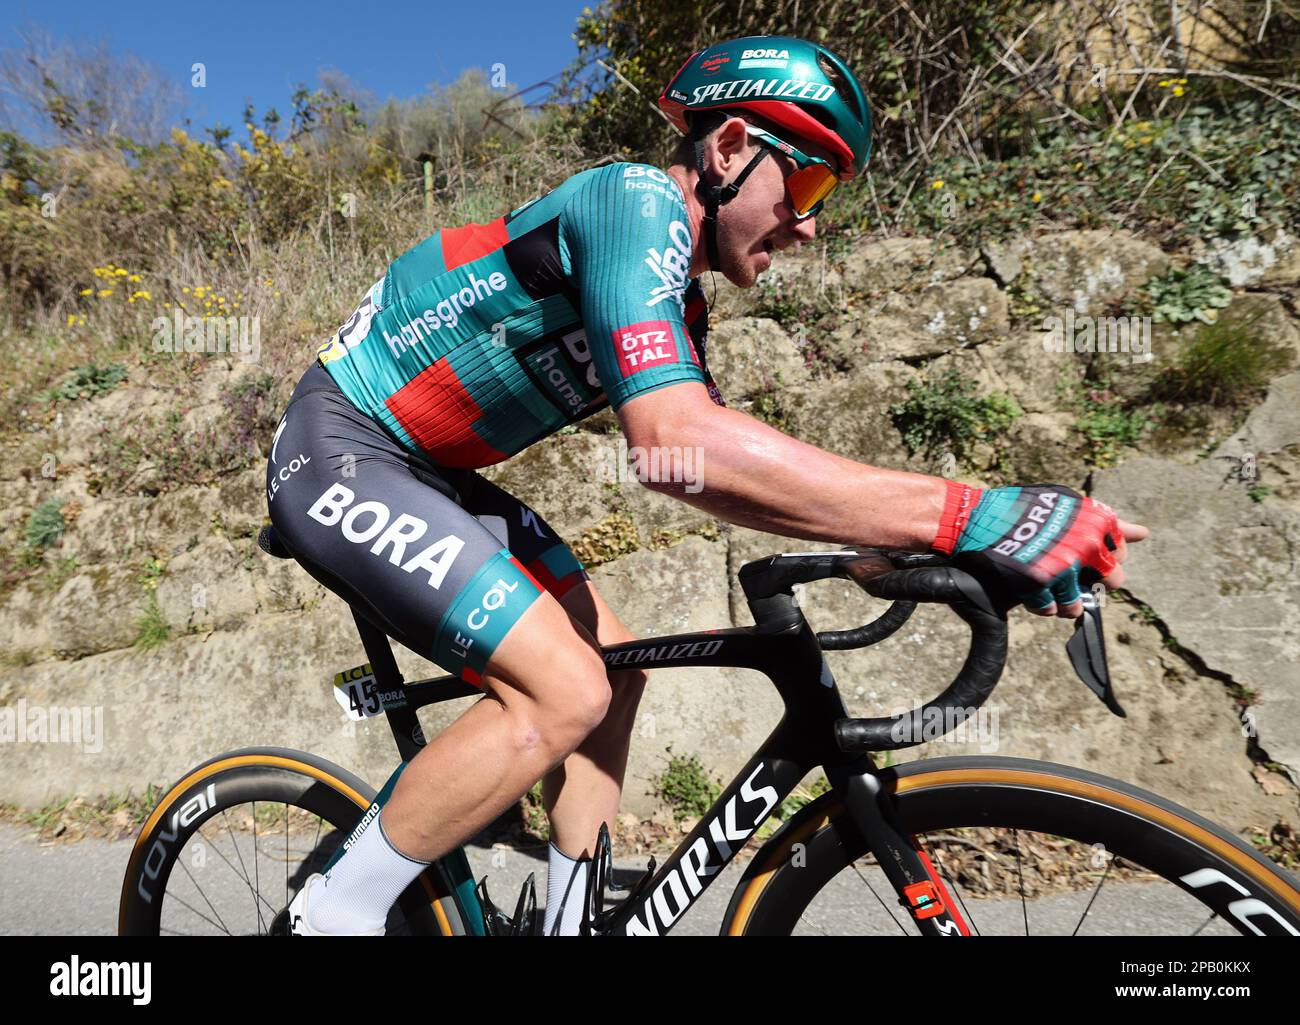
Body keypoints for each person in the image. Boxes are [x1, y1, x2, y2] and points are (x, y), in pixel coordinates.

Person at [267, 34, 1149, 936]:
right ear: (727, 149)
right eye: (805, 187)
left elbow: (707, 466)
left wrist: (899, 545)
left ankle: (570, 921)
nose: (810, 226)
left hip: (439, 474)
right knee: (563, 689)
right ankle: (329, 915)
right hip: (344, 441)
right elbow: (672, 440)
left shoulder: (677, 300)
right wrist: (965, 511)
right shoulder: (634, 200)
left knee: (616, 670)